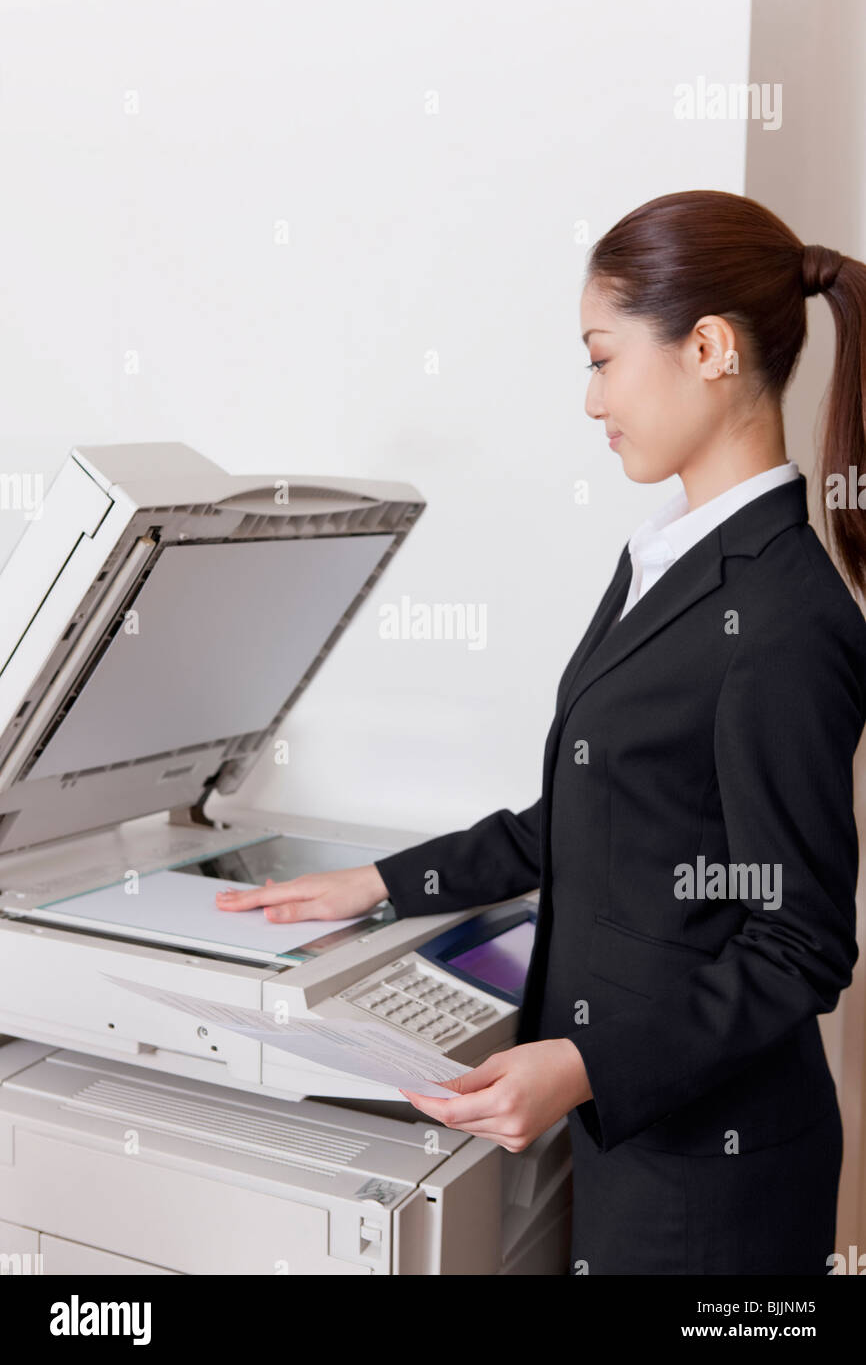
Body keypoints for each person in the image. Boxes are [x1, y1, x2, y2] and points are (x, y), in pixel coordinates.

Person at [216, 189, 866, 1275]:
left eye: (601, 358)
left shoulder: (785, 617)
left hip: (712, 1187)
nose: (589, 398)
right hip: (636, 1139)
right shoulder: (661, 558)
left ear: (705, 346)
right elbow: (586, 811)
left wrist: (581, 1064)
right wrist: (376, 881)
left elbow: (797, 943)